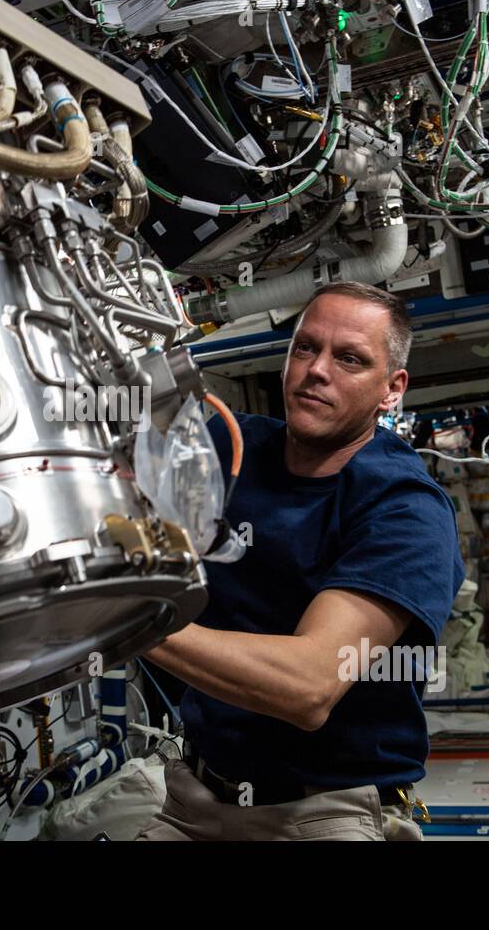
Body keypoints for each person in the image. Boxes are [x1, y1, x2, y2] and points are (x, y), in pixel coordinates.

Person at [135, 281, 464, 841]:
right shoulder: (231, 445)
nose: (317, 370)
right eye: (305, 348)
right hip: (194, 795)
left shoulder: (406, 510)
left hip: (325, 813)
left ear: (392, 389)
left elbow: (307, 688)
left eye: (350, 359)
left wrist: (115, 620)